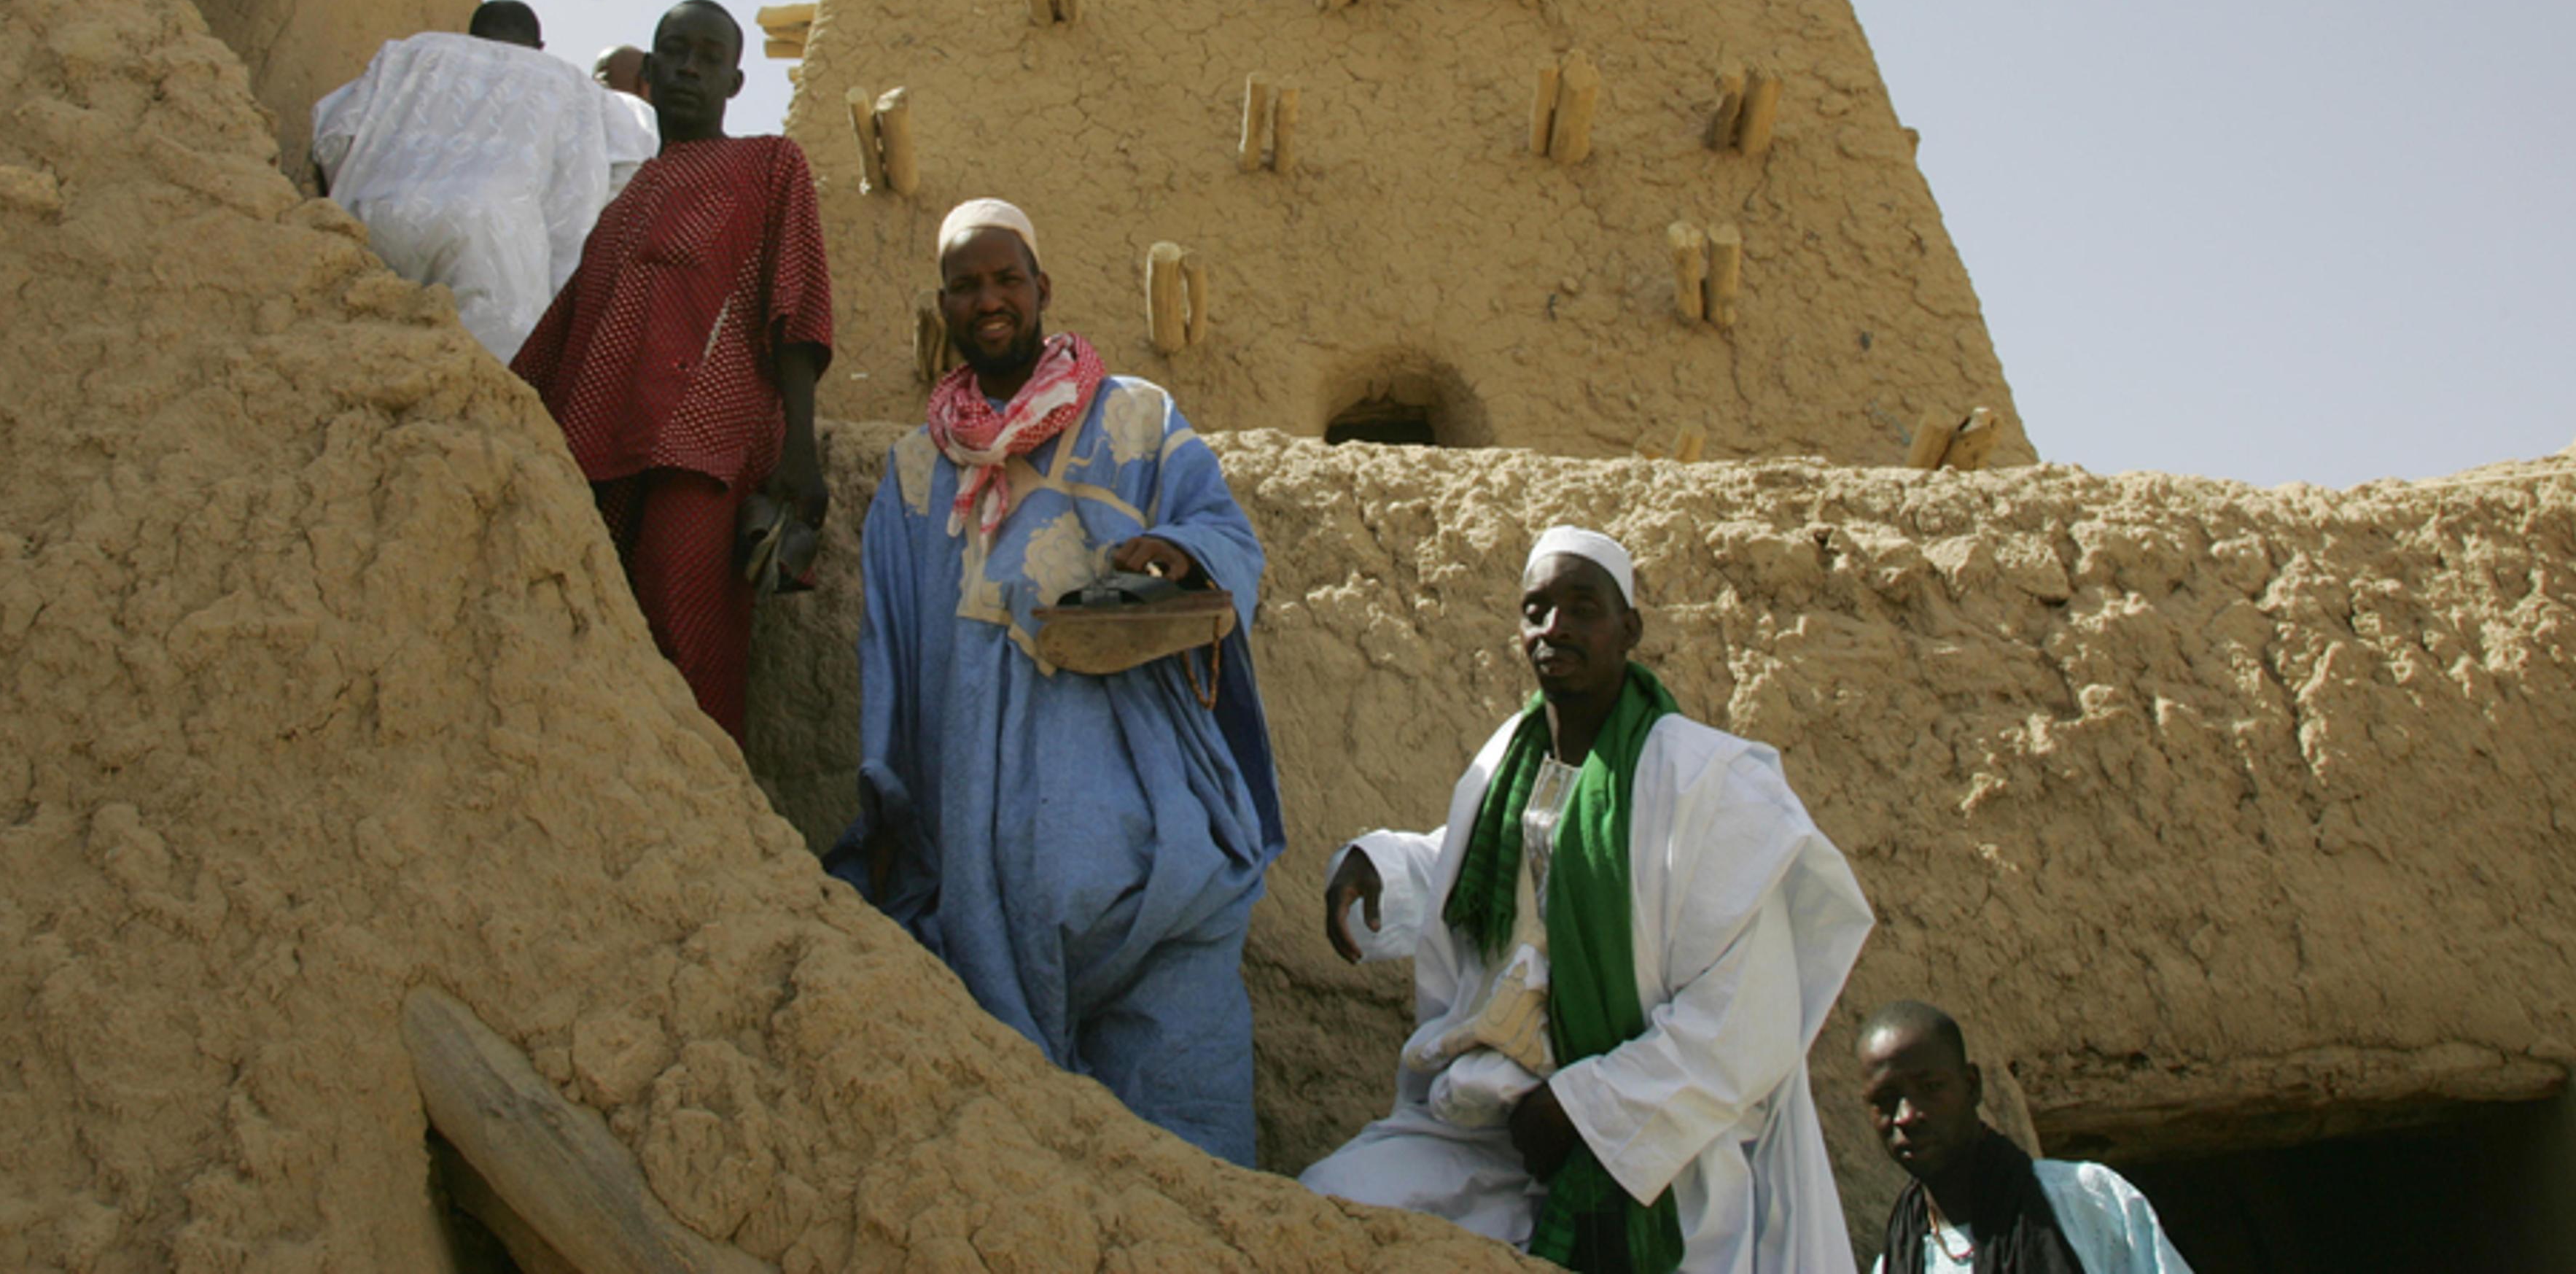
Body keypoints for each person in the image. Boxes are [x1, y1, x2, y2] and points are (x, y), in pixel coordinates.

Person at [826, 198, 1281, 1166]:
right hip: (983, 886)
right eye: (967, 283)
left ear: (1042, 291)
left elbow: (1231, 538)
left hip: (1153, 861)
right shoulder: (916, 472)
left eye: (1006, 278)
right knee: (1025, 1164)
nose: (989, 298)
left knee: (1190, 1160)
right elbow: (893, 655)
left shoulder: (1137, 415)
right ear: (943, 304)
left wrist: (1172, 550)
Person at [1300, 528, 1873, 1273]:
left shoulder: (1707, 781)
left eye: (1581, 605)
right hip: (1498, 1116)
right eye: (1535, 609)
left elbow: (1745, 1017)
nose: (1554, 626)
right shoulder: (1510, 760)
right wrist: (1380, 862)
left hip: (1658, 1138)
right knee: (1332, 1201)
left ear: (1628, 627)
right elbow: (1493, 862)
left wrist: (1587, 1106)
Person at [512, 0, 831, 743]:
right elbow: (553, 350)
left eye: (708, 56)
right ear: (649, 74)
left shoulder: (766, 164)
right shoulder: (618, 213)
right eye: (674, 53)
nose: (690, 67)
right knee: (587, 642)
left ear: (735, 79)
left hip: (701, 446)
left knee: (684, 641)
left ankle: (706, 819)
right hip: (592, 456)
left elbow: (796, 303)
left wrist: (801, 452)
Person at [310, 0, 652, 362]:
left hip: (380, 216)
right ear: (539, 49)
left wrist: (351, 195)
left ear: (471, 37)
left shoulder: (415, 52)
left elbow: (333, 134)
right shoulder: (573, 84)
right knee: (484, 380)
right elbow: (624, 171)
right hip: (494, 241)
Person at [1859, 1001, 2192, 1274]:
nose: (1906, 1116)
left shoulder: (2086, 1200)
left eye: (1930, 1088)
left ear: (1972, 1086)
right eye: (1886, 1099)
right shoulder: (1896, 1262)